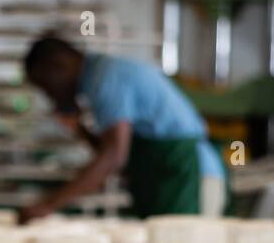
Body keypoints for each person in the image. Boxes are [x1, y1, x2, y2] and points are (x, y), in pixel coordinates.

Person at [18, 34, 225, 222]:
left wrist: (48, 205)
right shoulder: (98, 78)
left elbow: (114, 156)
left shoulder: (106, 78)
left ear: (59, 65)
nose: (50, 96)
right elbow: (116, 152)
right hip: (168, 177)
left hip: (189, 177)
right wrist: (79, 128)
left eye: (46, 86)